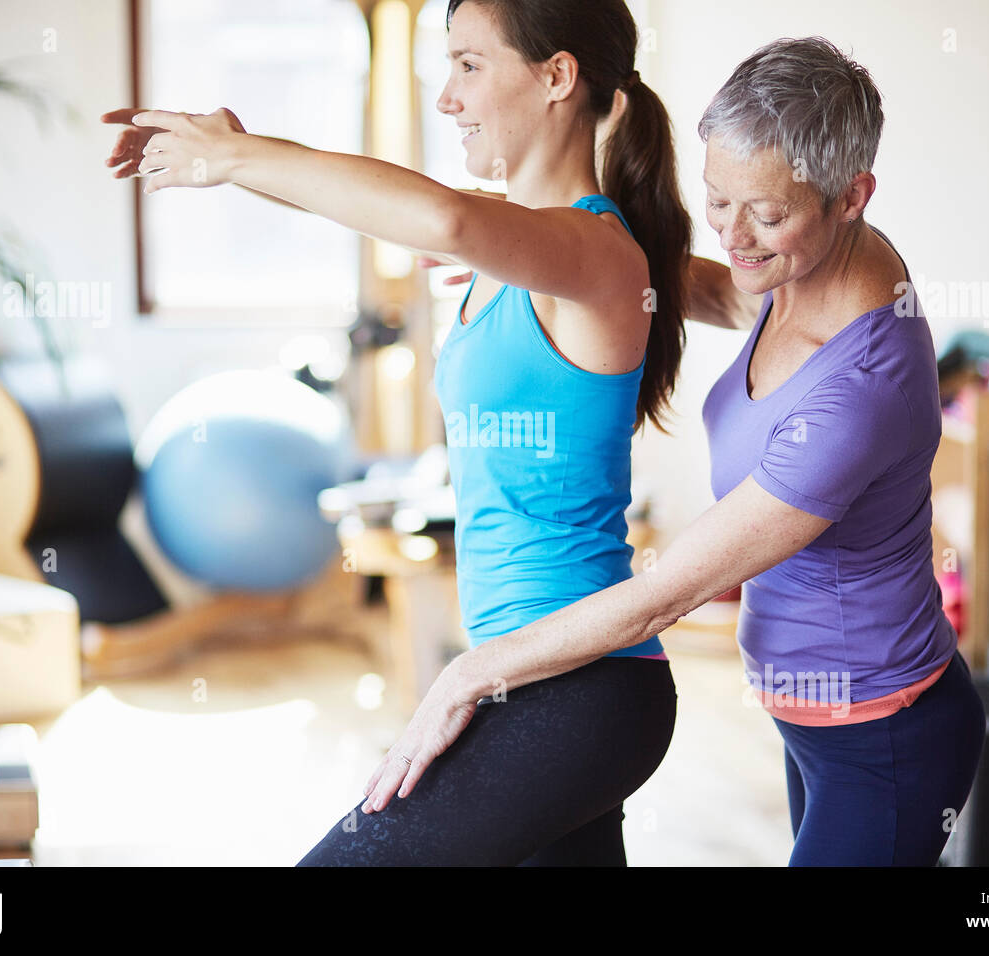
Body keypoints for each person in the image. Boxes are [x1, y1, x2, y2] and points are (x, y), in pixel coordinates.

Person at [103, 0, 708, 865]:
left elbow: (442, 219)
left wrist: (235, 157)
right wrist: (238, 158)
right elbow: (387, 210)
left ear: (558, 76)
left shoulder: (596, 254)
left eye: (468, 65)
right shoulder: (513, 252)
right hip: (540, 680)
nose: (447, 99)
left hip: (576, 690)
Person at [363, 36, 988, 867]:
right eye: (718, 201)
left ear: (852, 197)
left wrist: (470, 673)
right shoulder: (810, 266)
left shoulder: (860, 395)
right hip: (818, 718)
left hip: (887, 735)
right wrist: (525, 255)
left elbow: (665, 593)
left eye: (764, 214)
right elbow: (708, 283)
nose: (736, 234)